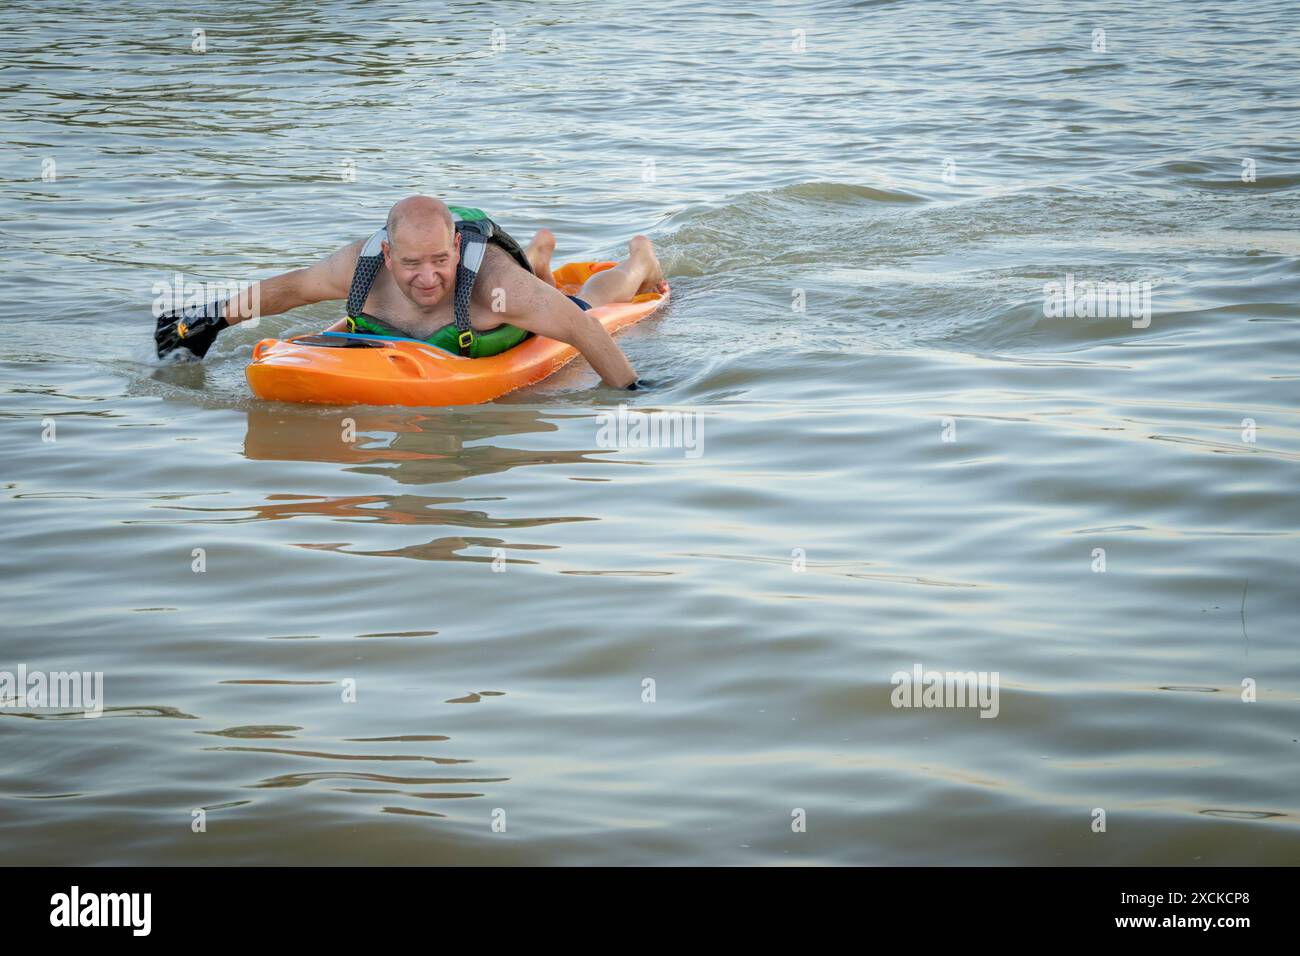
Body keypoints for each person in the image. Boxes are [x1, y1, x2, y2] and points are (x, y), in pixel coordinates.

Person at [155, 196, 667, 389]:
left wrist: (632, 392)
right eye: (412, 264)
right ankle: (540, 263)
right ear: (389, 255)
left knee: (589, 301)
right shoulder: (361, 265)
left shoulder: (491, 284)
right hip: (503, 298)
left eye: (440, 261)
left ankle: (638, 258)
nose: (428, 278)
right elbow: (293, 288)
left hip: (514, 307)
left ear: (454, 249)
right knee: (541, 292)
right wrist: (208, 321)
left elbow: (581, 328)